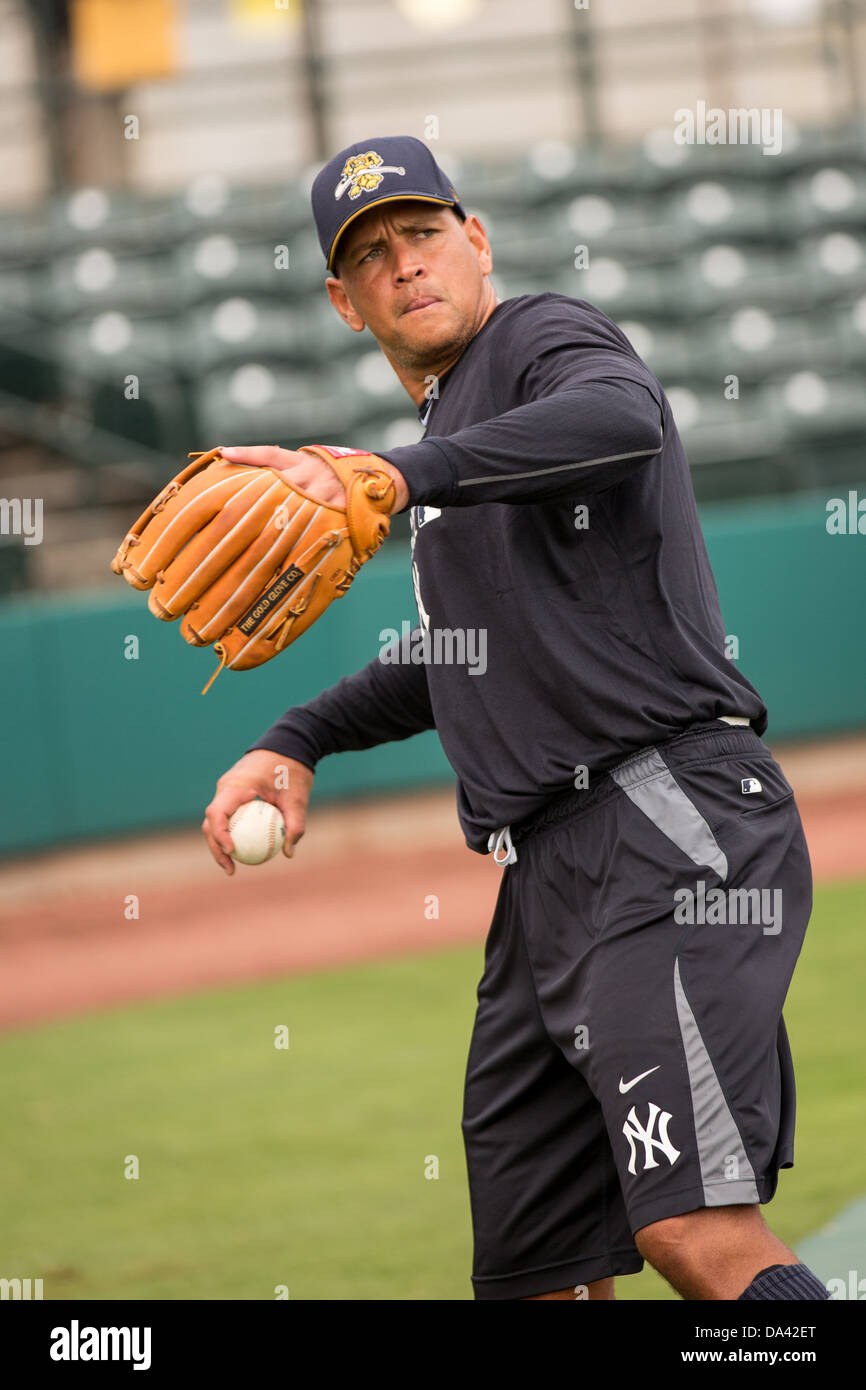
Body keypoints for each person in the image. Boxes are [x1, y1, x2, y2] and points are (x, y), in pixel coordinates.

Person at [202, 136, 829, 1303]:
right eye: (371, 256)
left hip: (665, 821)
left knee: (691, 1228)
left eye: (423, 233)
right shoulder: (450, 442)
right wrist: (296, 736)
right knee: (537, 1274)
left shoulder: (541, 339)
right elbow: (458, 656)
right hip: (543, 877)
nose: (405, 265)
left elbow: (620, 417)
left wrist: (392, 475)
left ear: (476, 239)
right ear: (343, 303)